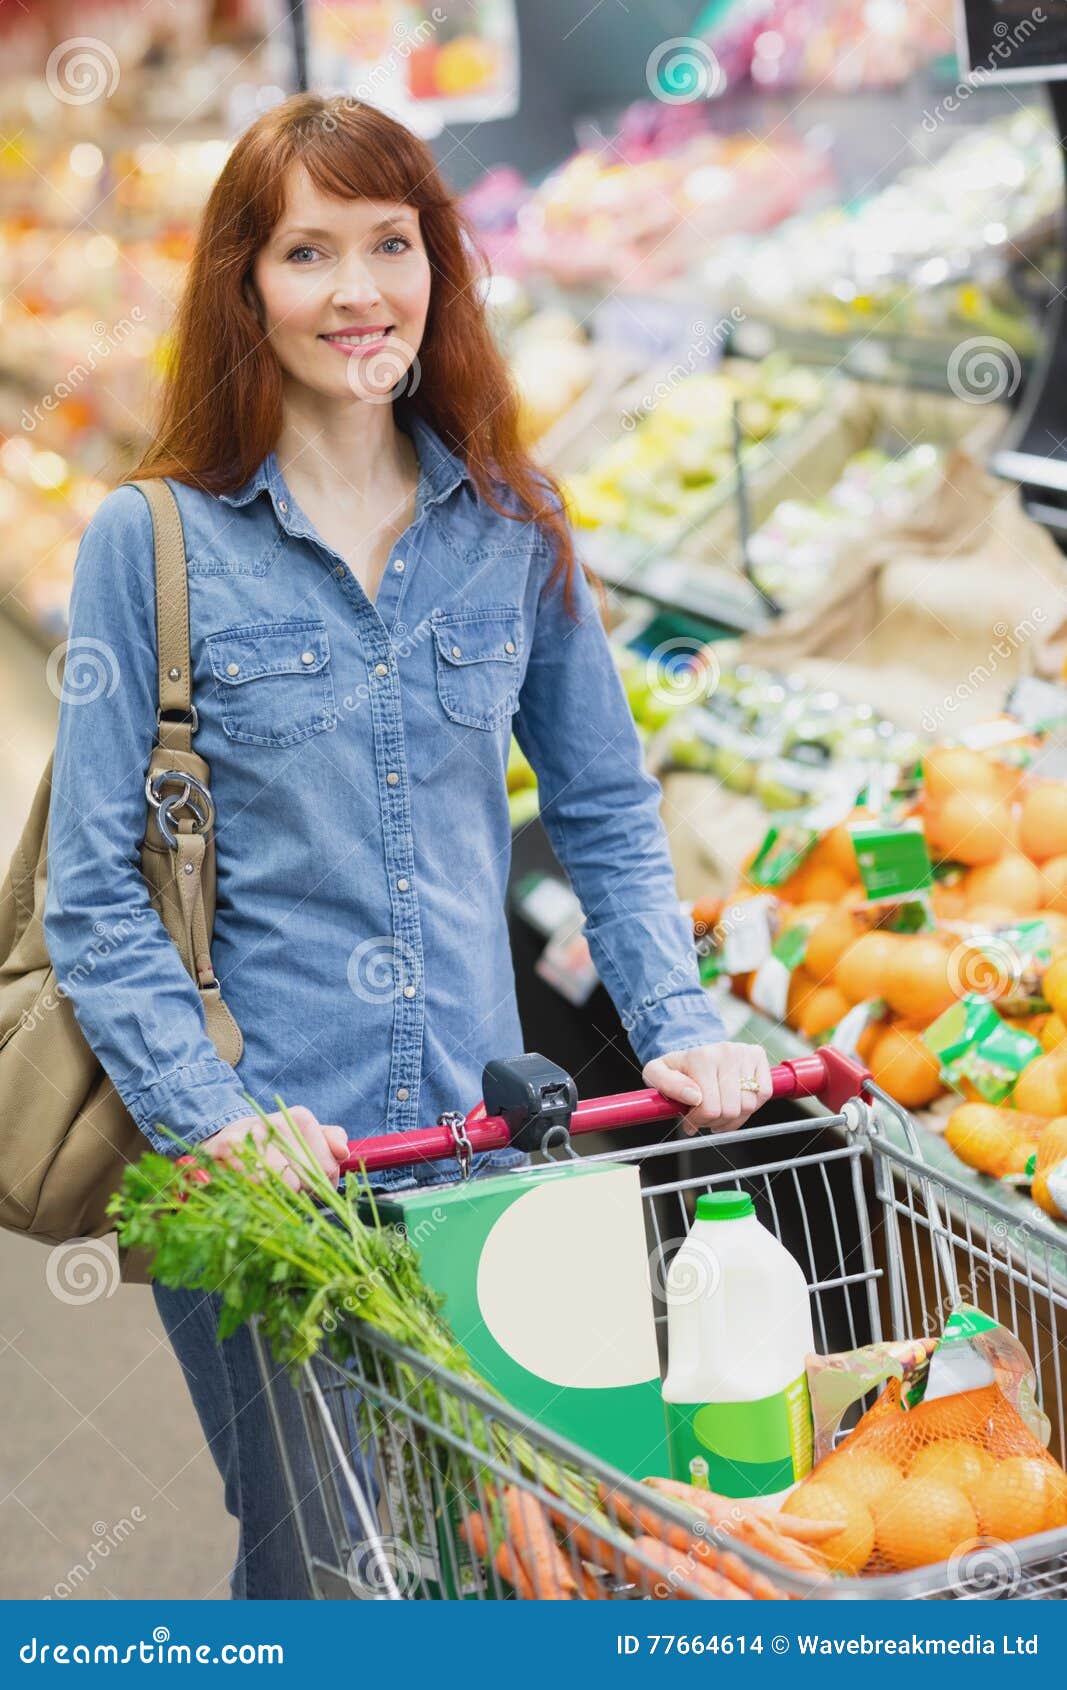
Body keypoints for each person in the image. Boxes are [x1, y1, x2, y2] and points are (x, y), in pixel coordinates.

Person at [43, 92, 773, 1599]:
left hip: (490, 1151)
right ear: (245, 285)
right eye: (308, 252)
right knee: (329, 1557)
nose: (359, 290)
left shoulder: (514, 523)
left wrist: (677, 1021)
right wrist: (216, 1120)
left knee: (506, 1543)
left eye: (392, 243)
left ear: (440, 262)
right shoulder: (154, 541)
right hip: (270, 1171)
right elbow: (94, 893)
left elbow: (604, 805)